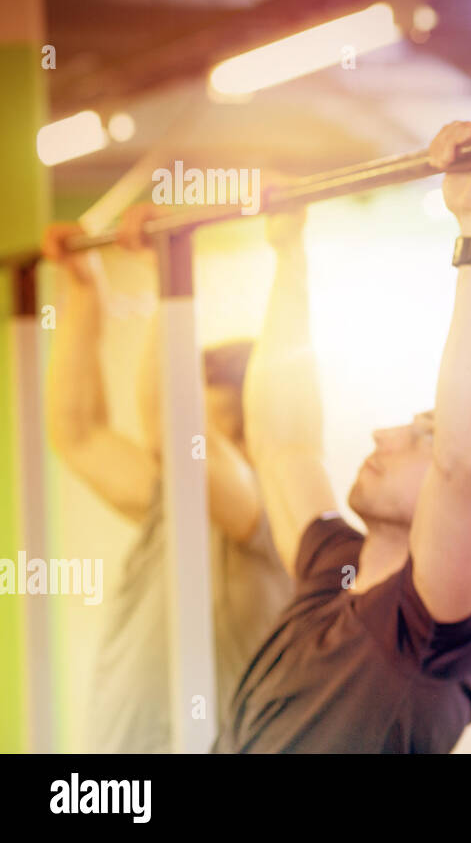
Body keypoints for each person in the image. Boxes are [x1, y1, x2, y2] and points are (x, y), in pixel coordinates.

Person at [213, 121, 471, 753]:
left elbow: (468, 465)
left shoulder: (428, 631)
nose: (385, 435)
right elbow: (282, 444)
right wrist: (288, 251)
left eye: (423, 436)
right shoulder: (336, 569)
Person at [42, 205, 292, 753]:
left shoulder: (269, 525)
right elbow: (78, 431)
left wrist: (170, 269)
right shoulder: (175, 509)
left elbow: (173, 434)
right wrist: (85, 293)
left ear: (252, 440)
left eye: (215, 431)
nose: (196, 443)